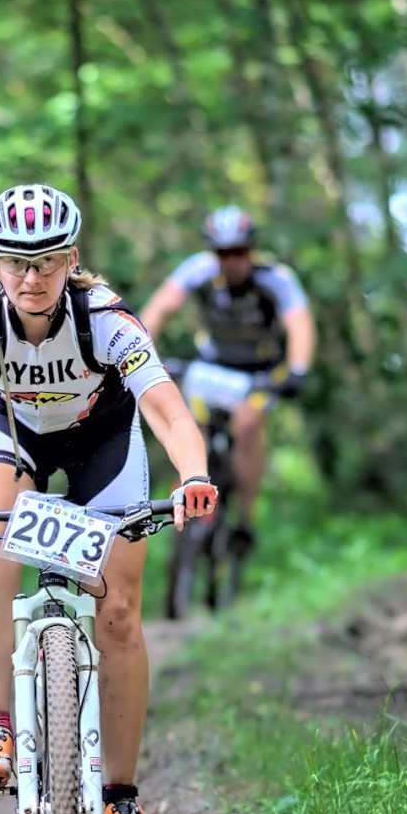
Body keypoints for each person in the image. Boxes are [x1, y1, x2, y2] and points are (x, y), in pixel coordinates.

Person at [0, 183, 218, 814]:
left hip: (105, 443)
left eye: (45, 262)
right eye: (15, 262)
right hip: (16, 437)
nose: (30, 278)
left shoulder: (108, 321)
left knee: (118, 614)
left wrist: (192, 475)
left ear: (71, 260)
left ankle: (120, 794)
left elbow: (166, 410)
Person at [137, 206, 315, 554]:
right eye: (223, 253)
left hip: (260, 372)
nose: (231, 260)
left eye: (239, 252)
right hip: (214, 365)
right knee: (189, 424)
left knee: (247, 424)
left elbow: (299, 323)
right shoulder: (199, 270)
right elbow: (159, 309)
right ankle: (192, 492)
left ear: (251, 250)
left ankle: (245, 517)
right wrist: (139, 355)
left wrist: (298, 369)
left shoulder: (275, 278)